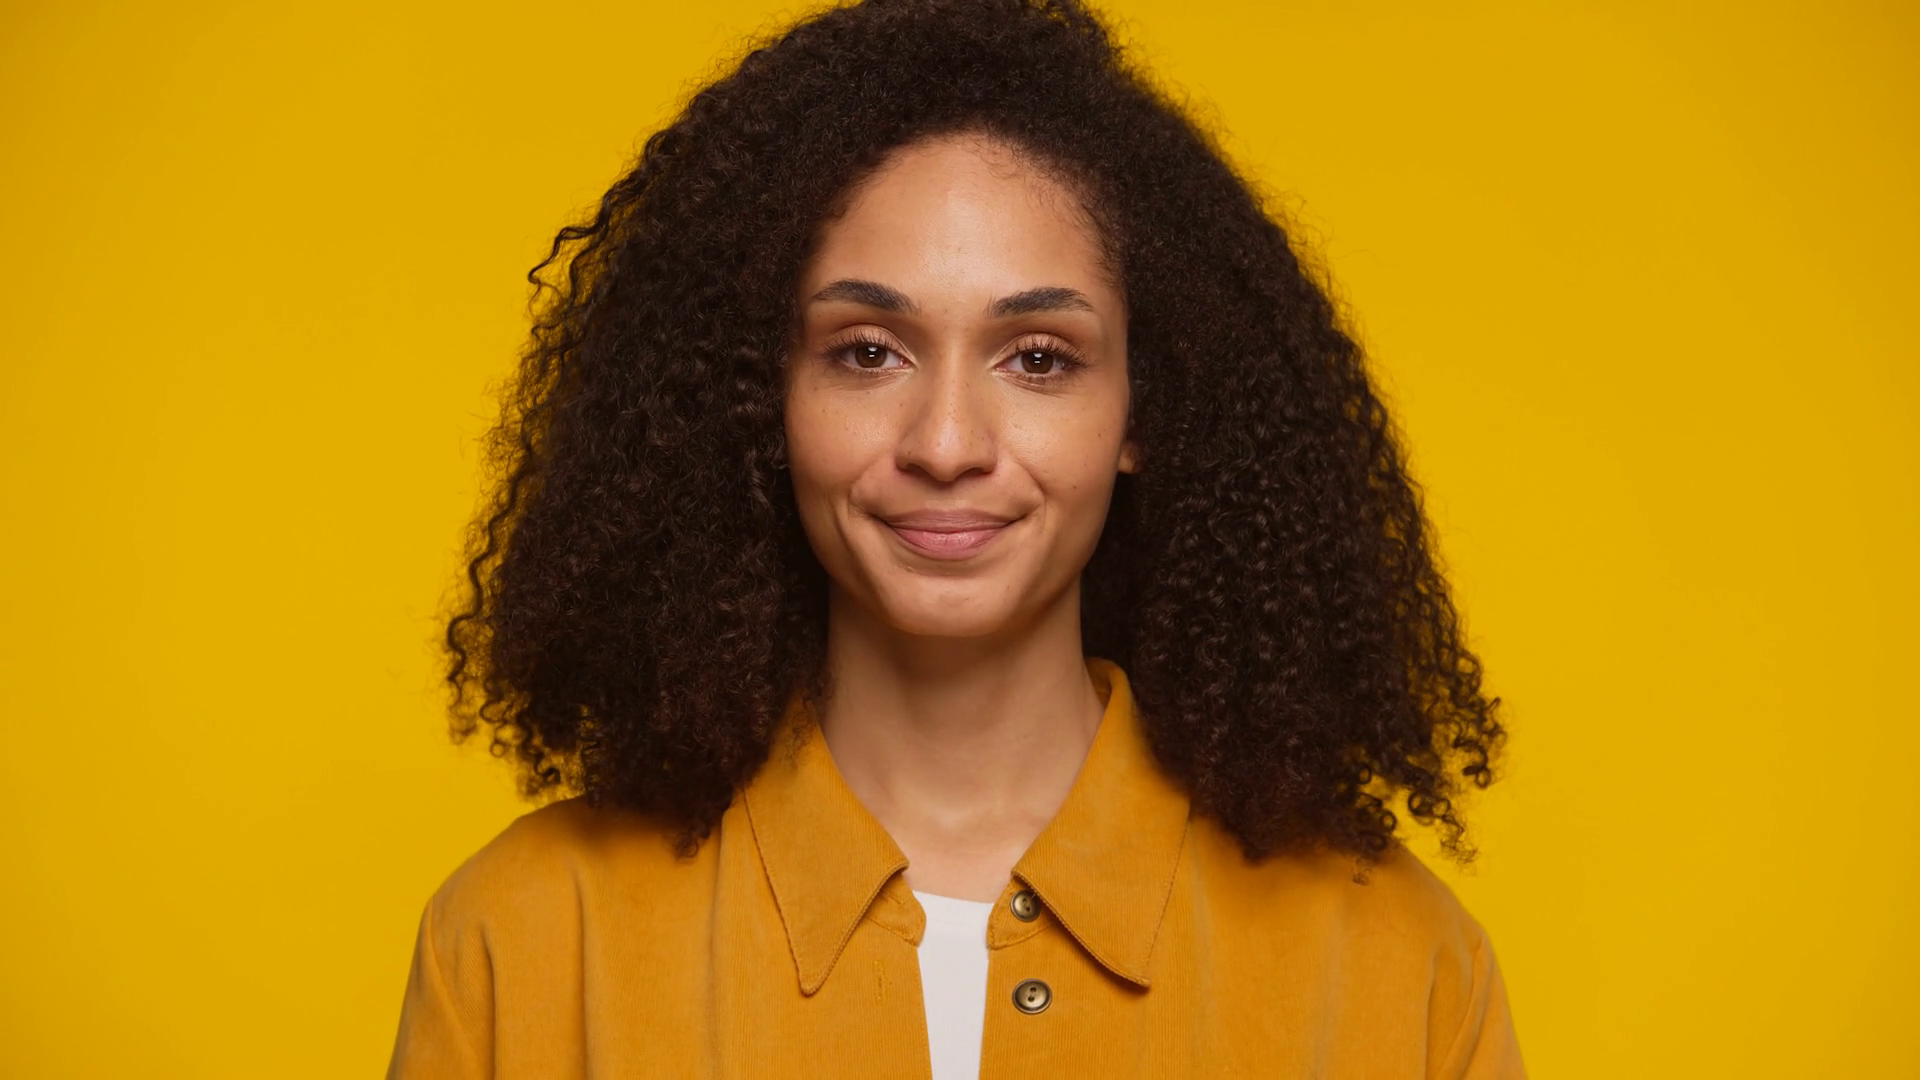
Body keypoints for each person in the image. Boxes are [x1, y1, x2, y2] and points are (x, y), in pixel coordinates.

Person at [386, 0, 1521, 1076]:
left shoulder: (1399, 967)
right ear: (759, 401)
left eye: (1039, 359)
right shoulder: (520, 943)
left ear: (1144, 413)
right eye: (867, 351)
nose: (945, 444)